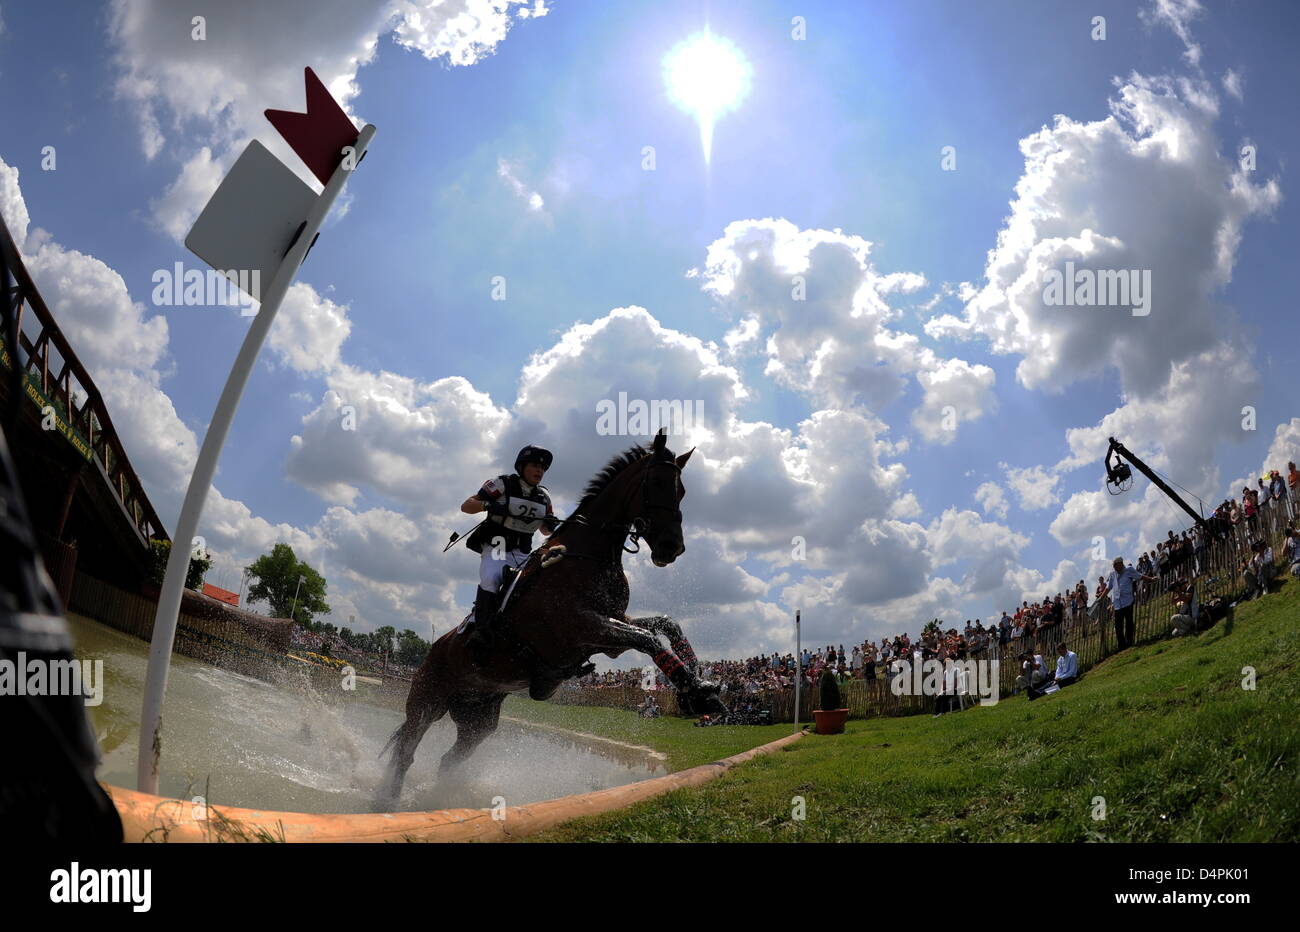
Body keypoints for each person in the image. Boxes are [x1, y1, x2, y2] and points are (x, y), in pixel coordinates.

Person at [460, 445, 559, 646]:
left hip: (524, 552)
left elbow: (545, 531)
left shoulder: (544, 497)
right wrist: (488, 505)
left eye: (543, 468)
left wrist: (550, 523)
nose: (539, 471)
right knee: (491, 578)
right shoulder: (502, 484)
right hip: (498, 545)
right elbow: (466, 505)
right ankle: (480, 630)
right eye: (534, 465)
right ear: (522, 466)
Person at [1101, 556, 1156, 651]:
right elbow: (1108, 588)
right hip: (1117, 604)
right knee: (1118, 626)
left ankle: (1129, 642)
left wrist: (1151, 579)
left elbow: (1140, 576)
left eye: (1116, 566)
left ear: (1121, 564)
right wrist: (1101, 598)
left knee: (1129, 623)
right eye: (1113, 566)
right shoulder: (1112, 575)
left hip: (1127, 601)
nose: (1114, 568)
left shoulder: (1129, 570)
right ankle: (1122, 646)